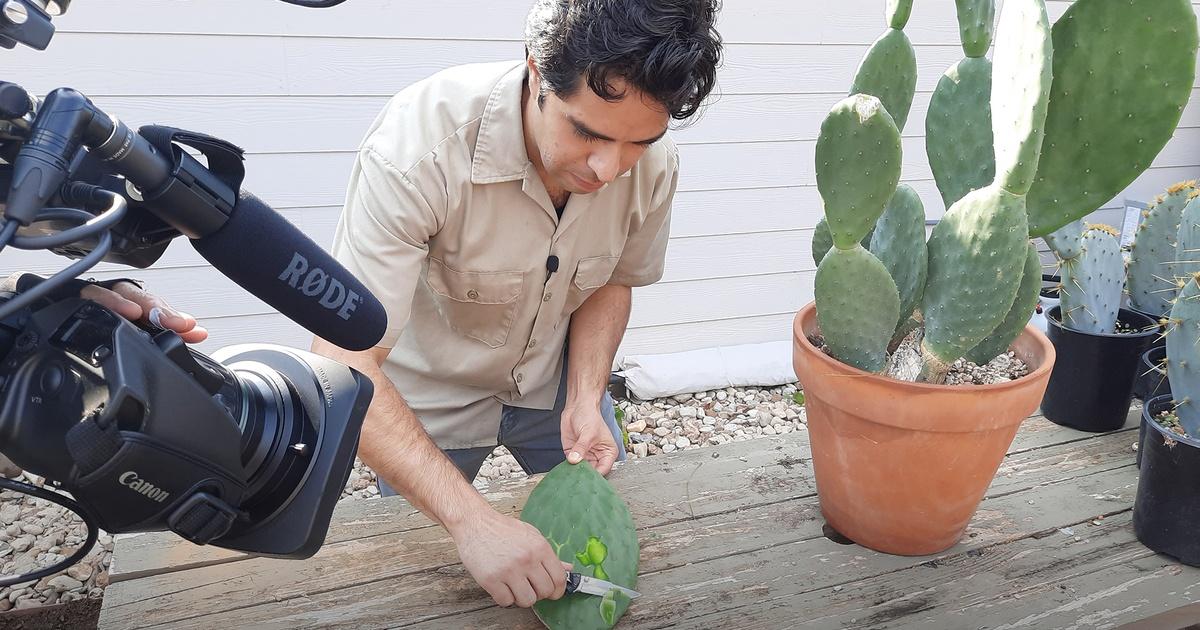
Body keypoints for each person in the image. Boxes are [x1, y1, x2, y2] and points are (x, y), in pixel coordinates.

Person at [309, 0, 723, 609]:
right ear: (536, 73)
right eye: (588, 132)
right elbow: (344, 363)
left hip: (555, 384)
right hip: (427, 400)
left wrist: (586, 395)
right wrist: (472, 522)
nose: (610, 168)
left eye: (640, 141)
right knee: (419, 587)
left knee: (609, 575)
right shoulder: (415, 147)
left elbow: (612, 280)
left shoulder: (652, 165)